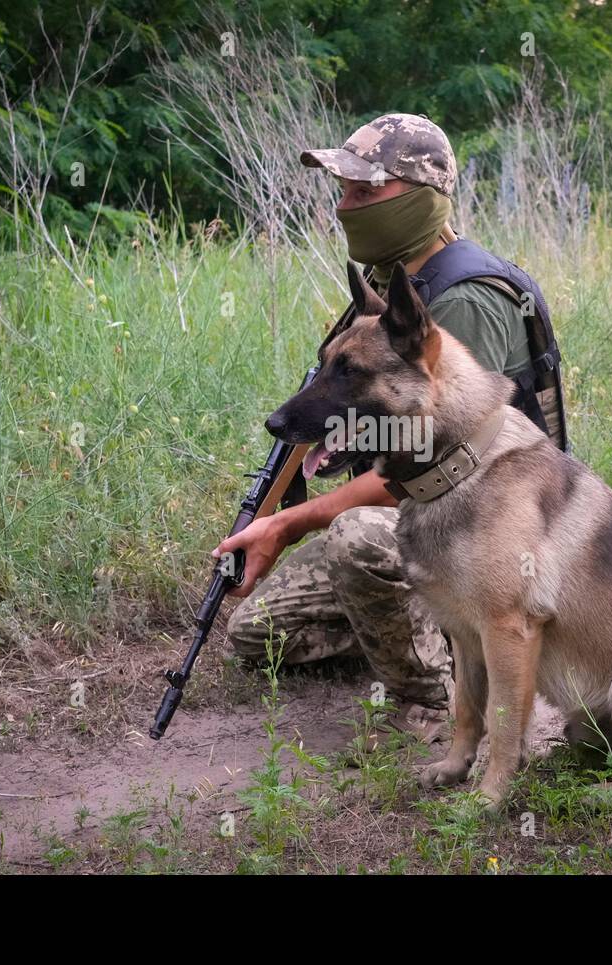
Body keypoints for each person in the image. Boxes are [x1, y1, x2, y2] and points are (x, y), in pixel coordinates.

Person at [216, 113, 549, 741]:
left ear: (423, 197)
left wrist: (290, 522)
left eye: (366, 191)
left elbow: (429, 466)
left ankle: (433, 696)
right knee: (258, 635)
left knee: (356, 540)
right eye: (343, 191)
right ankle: (423, 622)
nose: (347, 207)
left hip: (489, 522)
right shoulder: (388, 286)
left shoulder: (465, 298)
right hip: (426, 507)